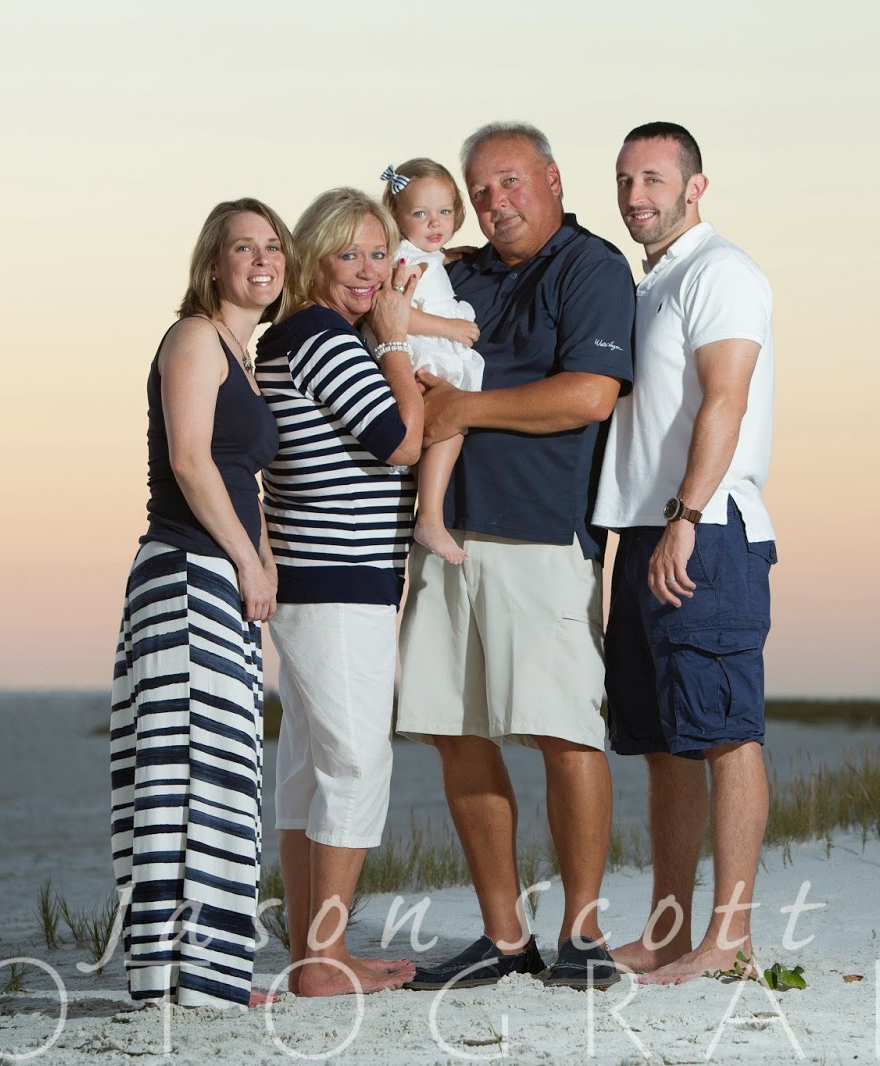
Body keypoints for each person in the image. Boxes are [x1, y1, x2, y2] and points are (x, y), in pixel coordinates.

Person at [396, 122, 635, 991]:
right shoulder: (458, 274)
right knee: (454, 730)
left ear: (553, 179)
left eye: (510, 182)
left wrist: (465, 408)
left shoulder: (591, 267)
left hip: (542, 533)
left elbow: (589, 395)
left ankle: (582, 935)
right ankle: (505, 940)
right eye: (479, 191)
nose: (494, 202)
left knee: (565, 730)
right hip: (445, 533)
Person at [592, 122, 778, 984]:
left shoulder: (720, 272)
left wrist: (687, 514)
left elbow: (725, 400)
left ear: (696, 187)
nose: (636, 196)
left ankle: (727, 941)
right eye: (625, 180)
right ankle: (669, 931)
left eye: (655, 179)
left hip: (707, 529)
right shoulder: (652, 284)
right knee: (666, 741)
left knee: (725, 733)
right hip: (643, 531)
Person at [108, 198, 291, 1009]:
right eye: (243, 247)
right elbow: (189, 462)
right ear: (212, 264)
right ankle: (175, 981)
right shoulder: (193, 337)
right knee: (183, 776)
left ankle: (211, 976)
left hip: (221, 578)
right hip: (186, 574)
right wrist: (249, 560)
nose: (263, 260)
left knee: (221, 772)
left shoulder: (242, 357)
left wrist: (263, 559)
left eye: (273, 246)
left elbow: (243, 477)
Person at [256, 187, 424, 997]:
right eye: (348, 254)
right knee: (355, 765)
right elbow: (401, 442)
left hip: (314, 581)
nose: (368, 271)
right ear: (314, 260)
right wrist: (394, 343)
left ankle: (310, 954)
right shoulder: (325, 339)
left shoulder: (291, 336)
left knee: (310, 769)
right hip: (337, 584)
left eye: (378, 253)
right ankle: (325, 959)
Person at [379, 158, 485, 565]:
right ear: (396, 217)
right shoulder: (408, 262)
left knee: (447, 428)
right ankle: (430, 518)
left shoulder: (425, 256)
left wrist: (446, 256)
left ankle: (427, 515)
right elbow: (395, 314)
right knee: (451, 424)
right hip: (424, 350)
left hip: (428, 347)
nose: (435, 222)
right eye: (420, 214)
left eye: (444, 211)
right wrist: (449, 328)